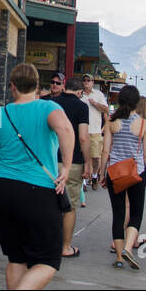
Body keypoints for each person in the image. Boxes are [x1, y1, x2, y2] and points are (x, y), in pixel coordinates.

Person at [0, 62, 75, 290]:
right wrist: (65, 168)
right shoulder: (47, 108)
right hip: (37, 191)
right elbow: (66, 130)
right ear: (37, 86)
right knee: (48, 260)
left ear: (12, 87)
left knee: (17, 257)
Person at [102, 84, 146, 270]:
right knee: (136, 213)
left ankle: (118, 257)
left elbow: (106, 150)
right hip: (136, 172)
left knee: (118, 214)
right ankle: (129, 249)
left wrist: (101, 173)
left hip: (115, 172)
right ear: (136, 103)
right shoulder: (144, 124)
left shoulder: (111, 122)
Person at [51, 76, 91, 258]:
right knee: (69, 205)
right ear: (80, 92)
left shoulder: (51, 103)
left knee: (48, 203)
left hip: (50, 159)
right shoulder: (82, 107)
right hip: (72, 160)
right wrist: (88, 162)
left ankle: (47, 242)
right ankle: (65, 247)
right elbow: (83, 137)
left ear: (65, 87)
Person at [82, 74, 109, 189]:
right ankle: (83, 182)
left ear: (93, 82)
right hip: (82, 130)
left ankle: (94, 176)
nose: (86, 82)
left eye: (89, 80)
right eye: (84, 80)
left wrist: (95, 103)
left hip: (95, 131)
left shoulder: (98, 95)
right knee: (82, 156)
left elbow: (106, 109)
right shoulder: (79, 94)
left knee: (96, 158)